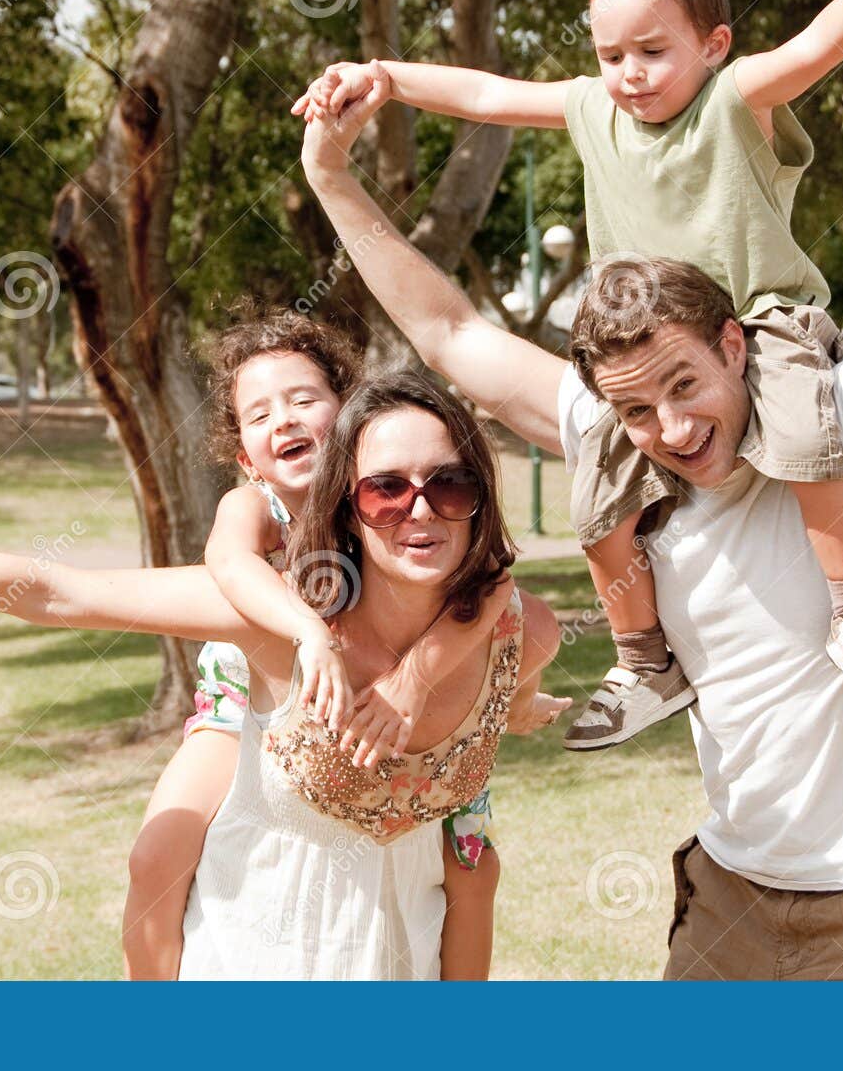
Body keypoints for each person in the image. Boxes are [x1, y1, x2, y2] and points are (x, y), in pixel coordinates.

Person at [298, 0, 843, 979]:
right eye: (634, 406)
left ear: (734, 346)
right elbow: (449, 335)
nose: (666, 428)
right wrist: (331, 175)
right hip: (727, 890)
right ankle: (643, 669)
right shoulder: (619, 439)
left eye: (683, 388)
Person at [0, 340, 565, 981]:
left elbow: (517, 630)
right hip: (264, 953)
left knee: (477, 869)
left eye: (448, 484)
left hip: (406, 954)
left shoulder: (521, 627)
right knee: (157, 859)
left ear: (480, 497)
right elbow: (57, 592)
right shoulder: (276, 611)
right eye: (387, 488)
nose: (420, 510)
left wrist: (512, 699)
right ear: (348, 497)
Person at [296, 0, 843, 750]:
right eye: (610, 53)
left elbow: (813, 49)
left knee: (809, 436)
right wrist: (384, 77)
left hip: (760, 319)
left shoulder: (734, 98)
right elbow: (487, 95)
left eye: (653, 51)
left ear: (714, 43)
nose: (628, 72)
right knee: (596, 500)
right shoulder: (596, 110)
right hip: (633, 353)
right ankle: (644, 660)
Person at [178, 370, 558, 978]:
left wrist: (427, 683)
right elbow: (223, 564)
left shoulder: (418, 492)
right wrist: (309, 632)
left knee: (475, 872)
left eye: (305, 400)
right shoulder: (255, 509)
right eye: (260, 414)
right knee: (160, 853)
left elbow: (496, 590)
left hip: (432, 759)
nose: (286, 420)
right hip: (237, 700)